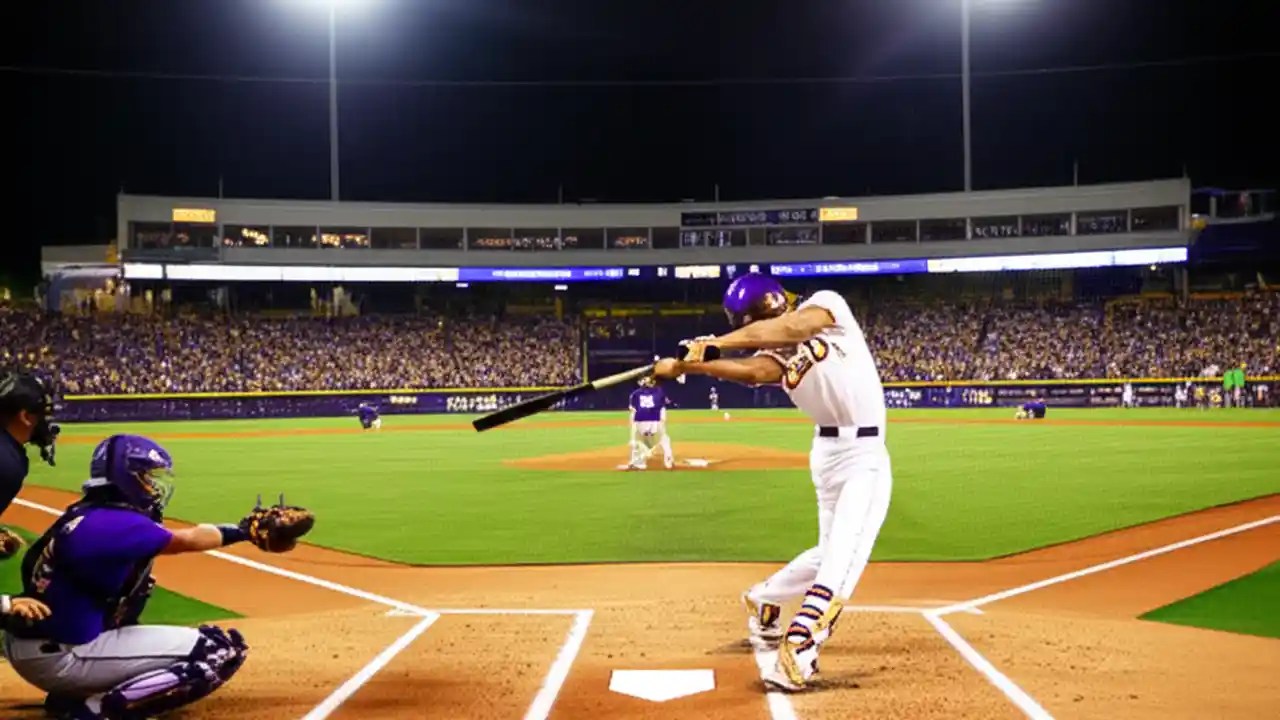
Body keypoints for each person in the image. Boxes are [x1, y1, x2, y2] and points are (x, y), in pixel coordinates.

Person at [652, 273, 892, 692]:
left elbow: (792, 327)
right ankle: (800, 647)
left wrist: (716, 342)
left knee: (832, 552)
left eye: (749, 319)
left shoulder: (825, 304)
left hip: (863, 450)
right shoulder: (775, 349)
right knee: (843, 561)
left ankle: (766, 598)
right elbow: (754, 372)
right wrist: (692, 364)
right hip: (835, 456)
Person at [3, 434, 259, 720]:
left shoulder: (87, 512)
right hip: (61, 655)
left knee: (138, 590)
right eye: (146, 477)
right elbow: (188, 540)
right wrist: (245, 531)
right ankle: (95, 709)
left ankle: (71, 694)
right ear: (126, 478)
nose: (153, 486)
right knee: (217, 651)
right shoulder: (113, 523)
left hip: (39, 644)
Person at [1, 369, 60, 625]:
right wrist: (5, 604)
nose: (47, 425)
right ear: (25, 416)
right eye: (43, 416)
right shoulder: (6, 462)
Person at [627, 377, 674, 470]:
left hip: (640, 421)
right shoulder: (659, 392)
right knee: (665, 440)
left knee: (637, 442)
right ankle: (668, 462)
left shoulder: (635, 394)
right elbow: (663, 406)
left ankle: (637, 463)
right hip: (654, 421)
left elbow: (632, 409)